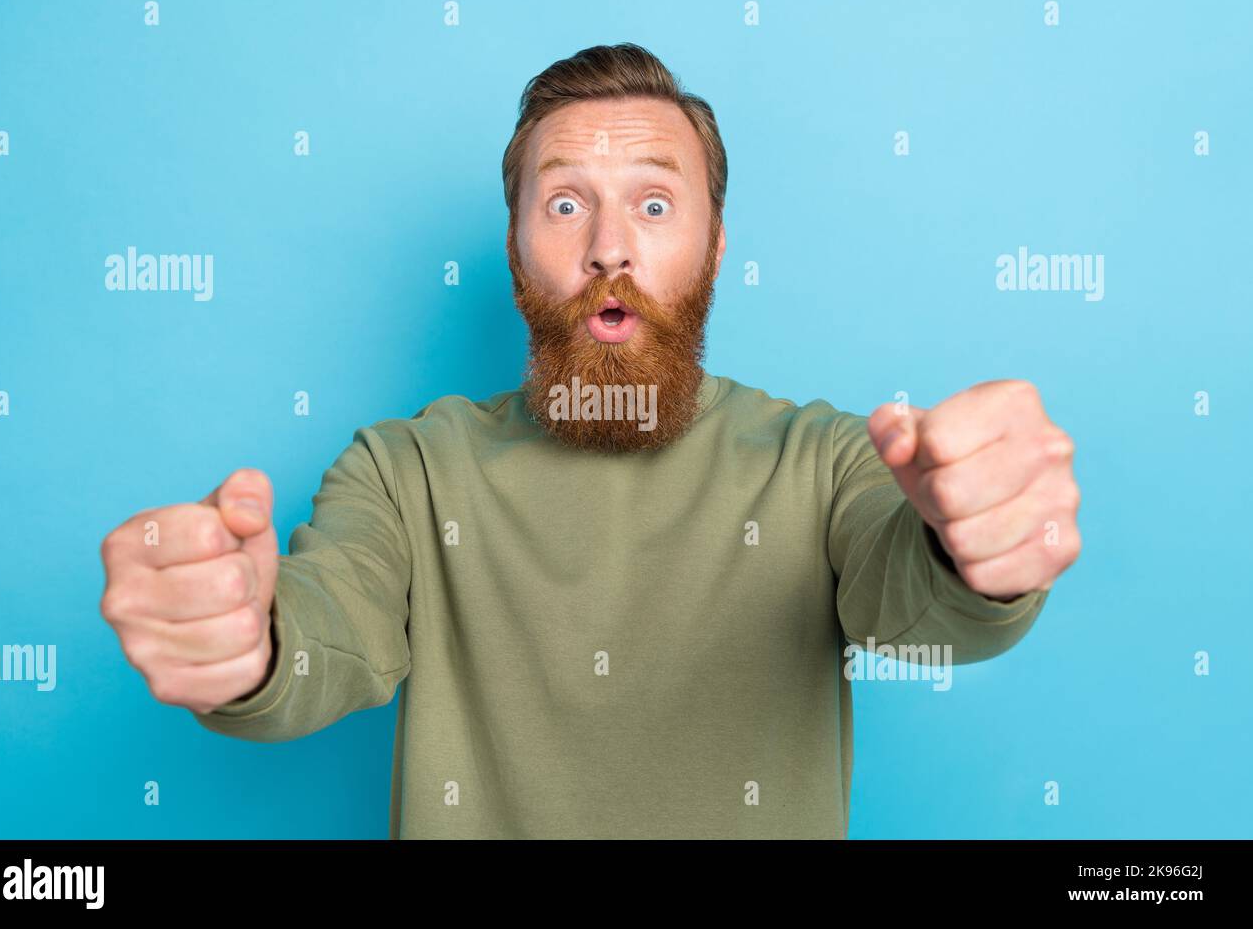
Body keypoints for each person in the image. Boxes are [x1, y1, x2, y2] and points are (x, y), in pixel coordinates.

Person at [98, 43, 1081, 838]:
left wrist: (974, 550)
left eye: (653, 204)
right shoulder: (404, 472)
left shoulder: (819, 461)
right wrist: (247, 640)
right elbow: (324, 636)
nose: (609, 245)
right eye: (565, 203)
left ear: (717, 243)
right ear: (516, 241)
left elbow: (915, 602)